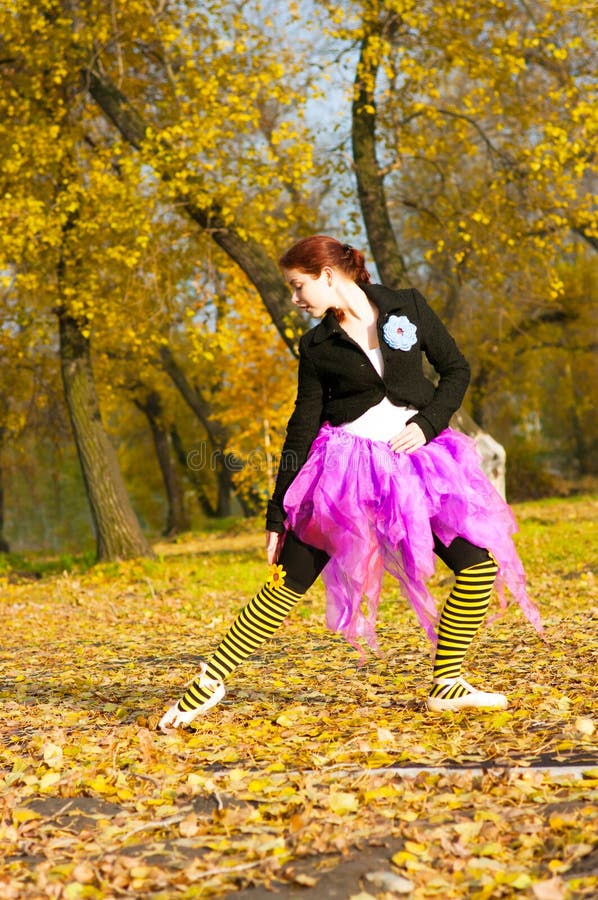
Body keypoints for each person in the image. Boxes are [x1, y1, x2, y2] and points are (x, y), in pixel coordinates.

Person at [158, 235, 543, 732]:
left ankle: (447, 682)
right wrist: (278, 511)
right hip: (346, 471)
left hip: (420, 463)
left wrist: (427, 425)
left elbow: (455, 370)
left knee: (476, 566)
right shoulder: (317, 345)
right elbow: (303, 422)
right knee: (287, 579)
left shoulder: (407, 307)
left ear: (326, 274)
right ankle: (209, 682)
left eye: (299, 287)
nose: (296, 299)